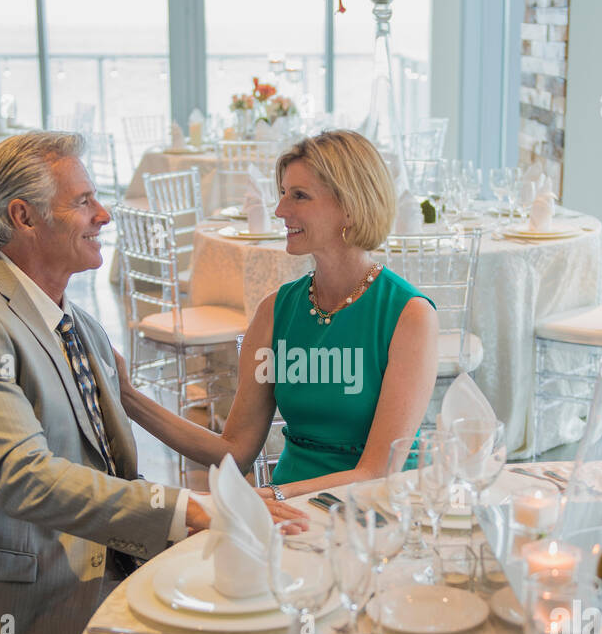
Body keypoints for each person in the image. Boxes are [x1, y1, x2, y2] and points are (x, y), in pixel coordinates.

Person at [0, 132, 304, 634]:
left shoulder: (77, 322)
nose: (104, 215)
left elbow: (113, 464)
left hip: (107, 563)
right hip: (23, 607)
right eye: (84, 201)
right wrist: (192, 511)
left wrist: (199, 510)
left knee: (272, 613)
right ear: (23, 216)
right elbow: (24, 478)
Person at [118, 129, 439, 497]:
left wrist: (270, 496)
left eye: (299, 196)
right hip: (288, 507)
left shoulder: (408, 315)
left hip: (373, 511)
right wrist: (129, 398)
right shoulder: (276, 310)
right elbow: (234, 450)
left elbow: (377, 471)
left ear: (350, 206)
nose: (280, 210)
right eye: (283, 193)